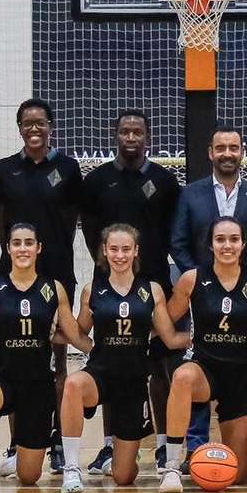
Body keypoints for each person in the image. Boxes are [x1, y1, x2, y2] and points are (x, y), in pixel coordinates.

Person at [79, 110, 181, 474]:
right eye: (125, 131)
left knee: (160, 364)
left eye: (138, 131)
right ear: (115, 135)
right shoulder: (98, 181)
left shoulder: (165, 181)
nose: (131, 137)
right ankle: (109, 446)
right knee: (112, 359)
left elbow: (173, 230)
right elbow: (90, 229)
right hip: (111, 282)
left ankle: (167, 445)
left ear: (148, 137)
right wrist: (109, 264)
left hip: (153, 283)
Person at [170, 126, 247, 473]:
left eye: (234, 147)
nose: (227, 153)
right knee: (196, 365)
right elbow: (179, 243)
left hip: (244, 294)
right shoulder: (191, 194)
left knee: (239, 471)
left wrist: (242, 279)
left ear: (242, 151)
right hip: (204, 293)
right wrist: (208, 279)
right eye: (221, 147)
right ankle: (193, 447)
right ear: (210, 152)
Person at [0, 223, 91, 493]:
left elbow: (75, 335)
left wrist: (104, 348)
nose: (22, 248)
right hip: (2, 381)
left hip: (38, 387)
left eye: (28, 243)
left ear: (39, 248)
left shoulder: (53, 289)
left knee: (29, 478)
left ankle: (23, 455)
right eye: (16, 243)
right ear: (7, 248)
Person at [58, 224, 189, 493]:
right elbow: (80, 334)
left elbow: (169, 338)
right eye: (114, 249)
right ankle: (71, 468)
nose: (120, 255)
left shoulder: (152, 291)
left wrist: (198, 336)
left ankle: (124, 456)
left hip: (133, 382)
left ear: (135, 251)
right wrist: (48, 332)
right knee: (73, 384)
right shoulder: (91, 289)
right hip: (100, 374)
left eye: (126, 249)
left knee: (124, 477)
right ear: (104, 251)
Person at [160, 217, 247, 493]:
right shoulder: (191, 279)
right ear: (210, 244)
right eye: (220, 239)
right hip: (204, 368)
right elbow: (166, 319)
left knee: (236, 474)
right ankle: (171, 466)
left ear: (242, 244)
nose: (227, 245)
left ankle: (209, 458)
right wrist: (177, 338)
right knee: (182, 376)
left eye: (233, 239)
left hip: (243, 375)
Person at [0, 99, 83, 475]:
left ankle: (58, 442)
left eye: (40, 123)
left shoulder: (67, 168)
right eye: (27, 123)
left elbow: (79, 218)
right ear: (19, 128)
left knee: (57, 359)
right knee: (14, 359)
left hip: (57, 272)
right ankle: (17, 444)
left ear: (51, 127)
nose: (34, 129)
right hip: (13, 276)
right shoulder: (4, 170)